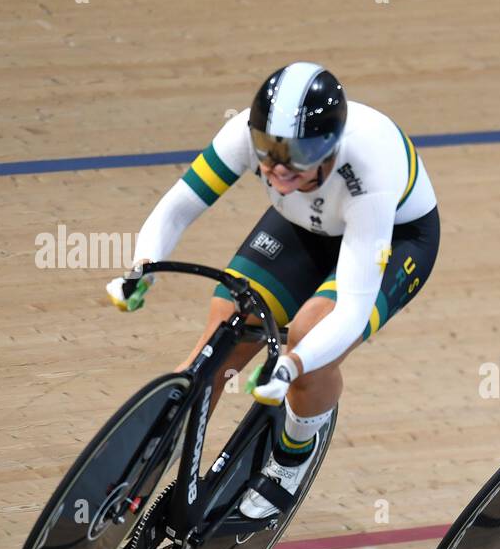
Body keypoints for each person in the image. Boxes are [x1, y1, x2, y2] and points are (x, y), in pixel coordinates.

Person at [107, 61, 439, 518]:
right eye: (268, 152)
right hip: (303, 227)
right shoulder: (246, 135)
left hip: (394, 238)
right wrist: (142, 267)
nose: (279, 171)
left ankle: (293, 454)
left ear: (331, 147)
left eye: (298, 157)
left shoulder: (370, 171)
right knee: (225, 323)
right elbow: (177, 207)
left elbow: (352, 310)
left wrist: (291, 366)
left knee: (309, 340)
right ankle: (149, 459)